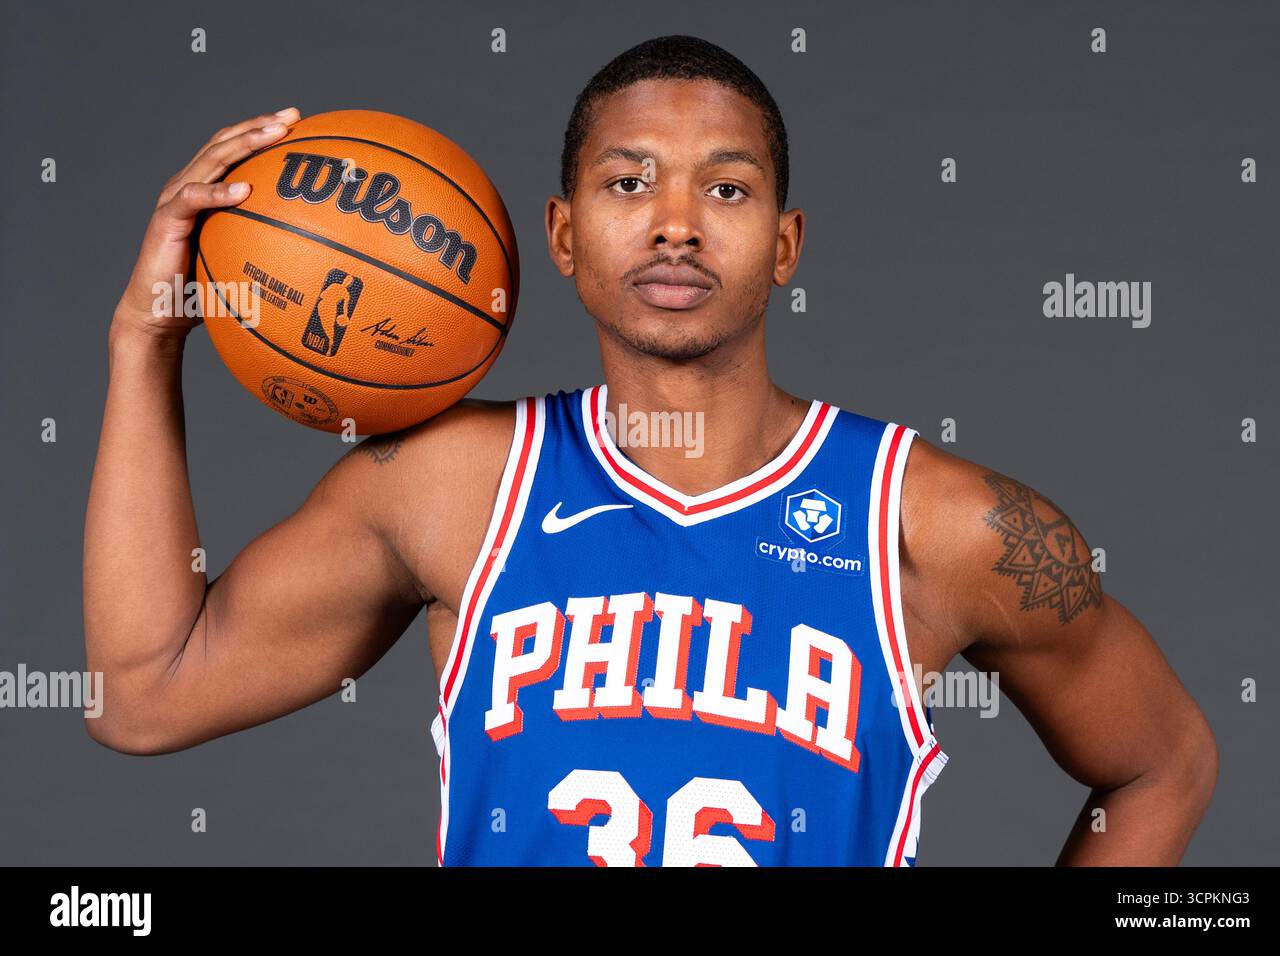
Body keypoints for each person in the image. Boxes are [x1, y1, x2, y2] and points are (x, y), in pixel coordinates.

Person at [84, 35, 1216, 866]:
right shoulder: (454, 487)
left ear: (784, 245)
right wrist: (145, 343)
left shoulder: (935, 525)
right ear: (564, 233)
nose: (675, 221)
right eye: (629, 182)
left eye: (725, 188)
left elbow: (1163, 761)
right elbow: (142, 695)